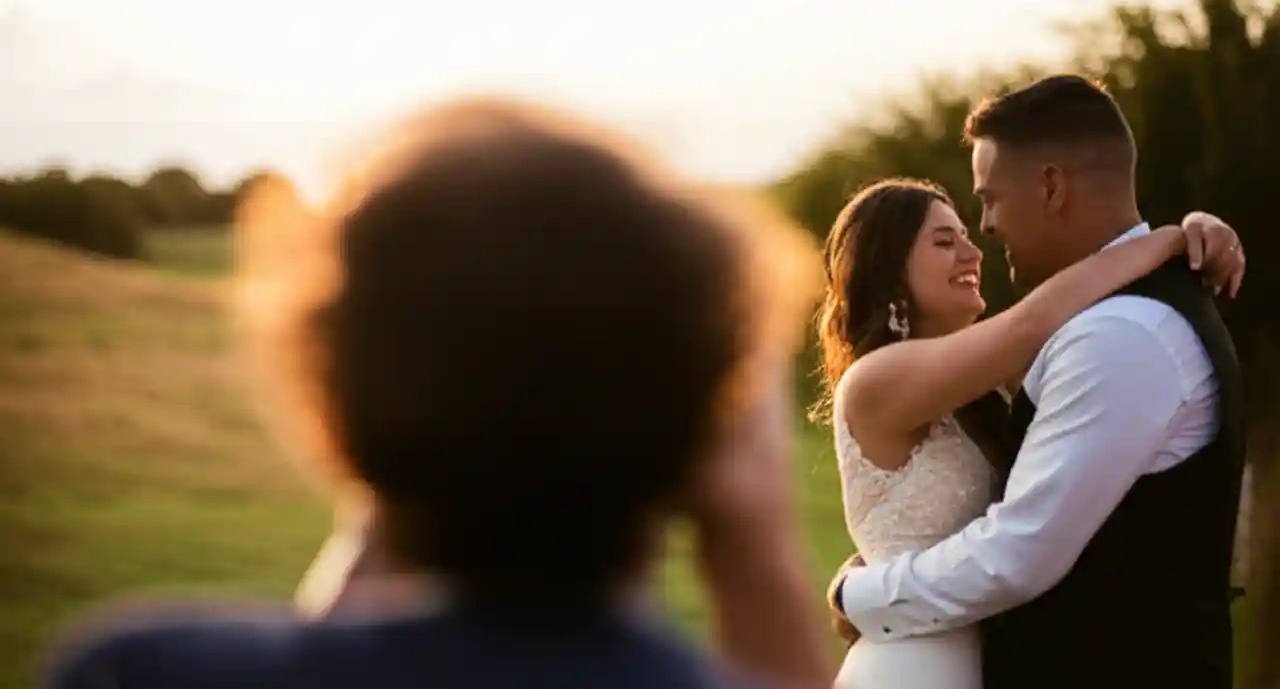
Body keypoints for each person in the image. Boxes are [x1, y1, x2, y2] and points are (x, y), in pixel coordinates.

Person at [42, 100, 831, 688]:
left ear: (332, 401)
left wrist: (412, 434)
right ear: (715, 418)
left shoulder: (139, 671)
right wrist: (748, 526)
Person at [823, 75, 1247, 689]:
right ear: (890, 275)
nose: (982, 236)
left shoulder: (1107, 337)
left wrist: (860, 593)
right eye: (948, 239)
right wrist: (1168, 241)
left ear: (1050, 186)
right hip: (917, 663)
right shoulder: (882, 378)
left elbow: (1019, 552)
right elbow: (1032, 321)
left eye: (985, 205)